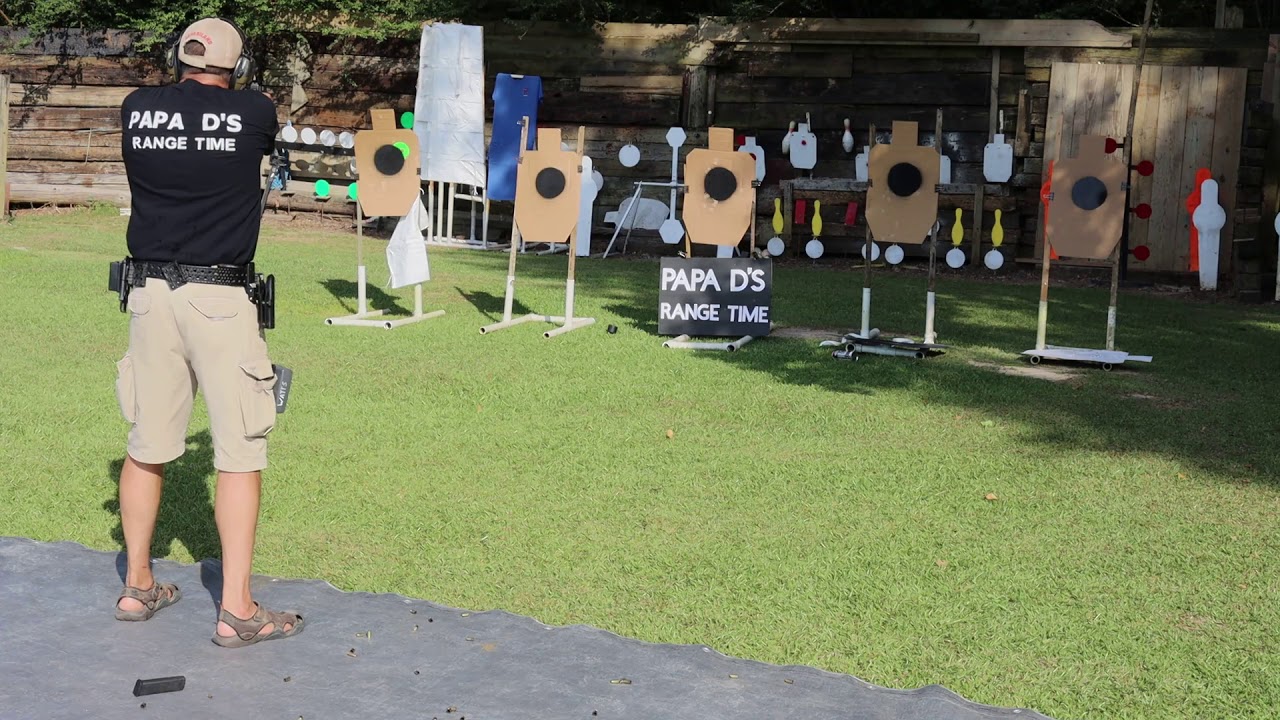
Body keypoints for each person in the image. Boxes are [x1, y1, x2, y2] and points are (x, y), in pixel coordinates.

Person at [112, 17, 302, 648]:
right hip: (220, 298)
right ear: (237, 69)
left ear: (178, 56)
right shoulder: (256, 112)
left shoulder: (137, 108)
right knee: (240, 451)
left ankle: (138, 584)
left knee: (147, 441)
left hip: (148, 296)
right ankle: (238, 609)